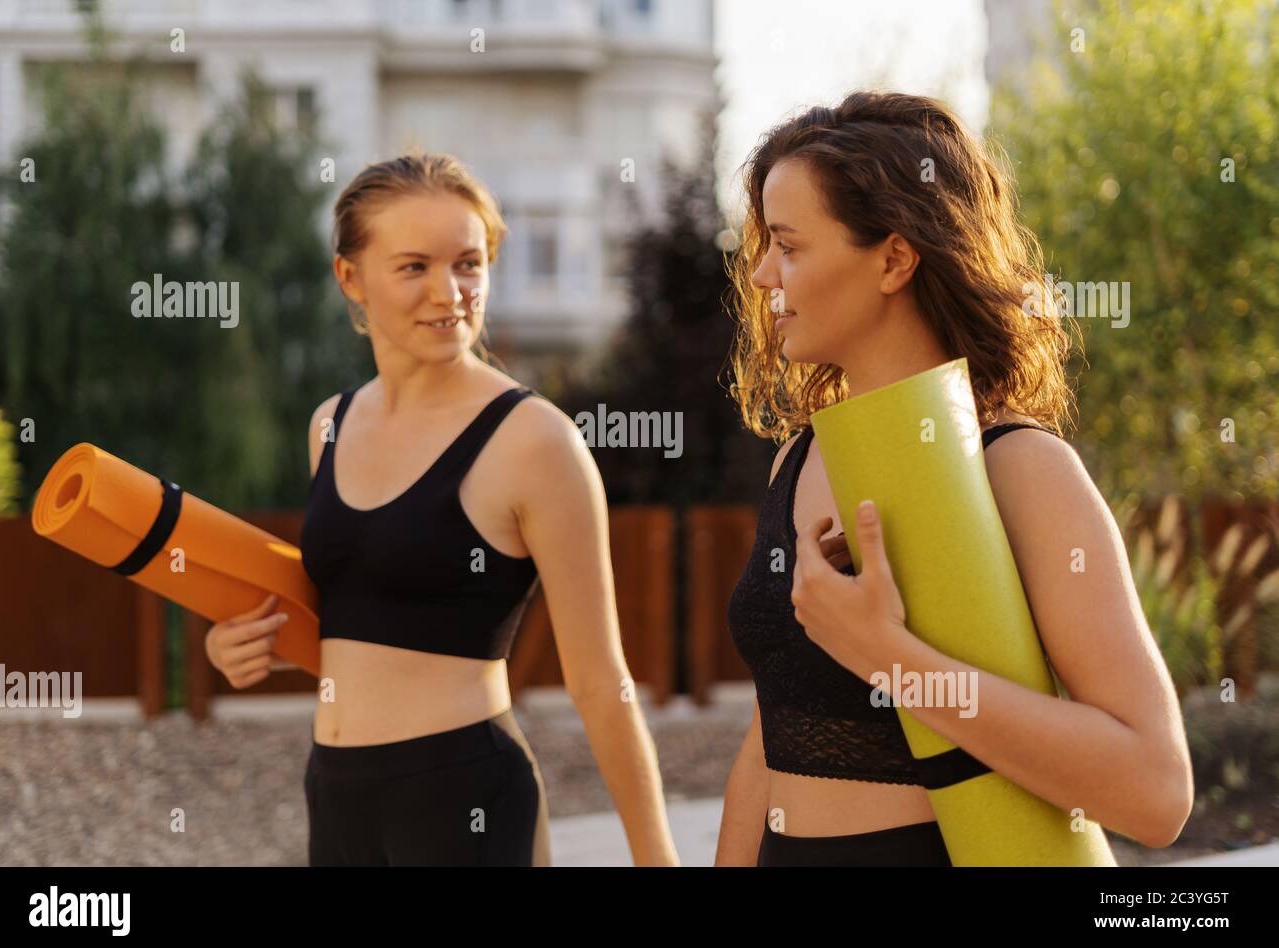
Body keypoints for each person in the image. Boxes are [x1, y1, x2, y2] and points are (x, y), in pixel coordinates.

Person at [715, 91, 1194, 866]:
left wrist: (890, 659)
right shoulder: (798, 461)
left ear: (895, 259)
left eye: (791, 246)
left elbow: (1156, 790)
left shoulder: (1020, 469)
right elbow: (775, 732)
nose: (763, 273)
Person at [204, 152, 679, 866]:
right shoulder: (328, 424)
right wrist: (238, 647)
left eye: (468, 263)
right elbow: (353, 621)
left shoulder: (533, 440)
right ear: (350, 278)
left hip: (462, 797)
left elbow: (601, 683)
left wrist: (656, 859)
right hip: (334, 793)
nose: (450, 291)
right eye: (414, 266)